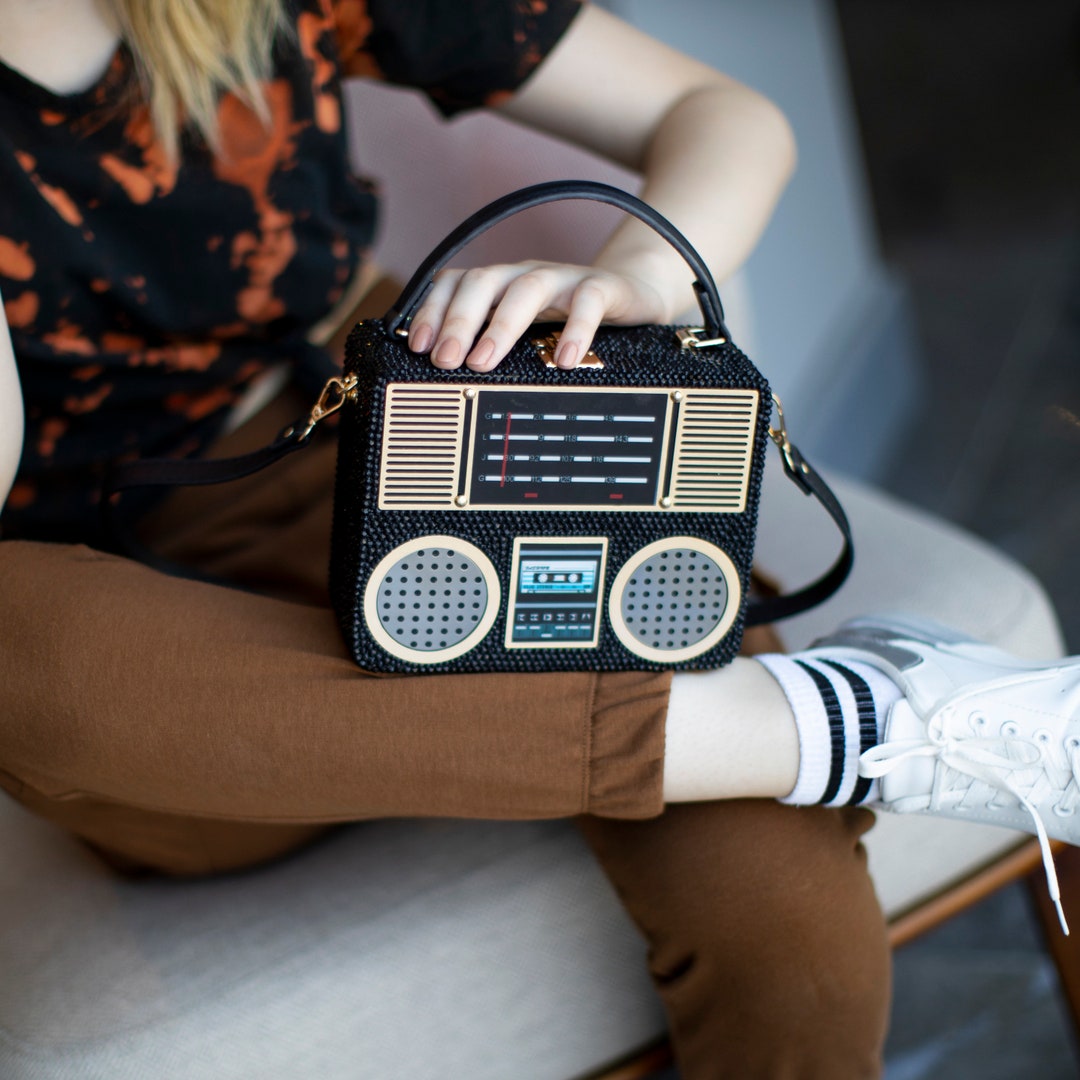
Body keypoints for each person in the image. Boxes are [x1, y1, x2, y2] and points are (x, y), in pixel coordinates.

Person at [1, 1, 1077, 1076]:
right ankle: (842, 724)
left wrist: (644, 278)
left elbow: (726, 115)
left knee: (778, 918)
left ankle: (785, 726)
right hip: (128, 601)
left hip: (415, 419)